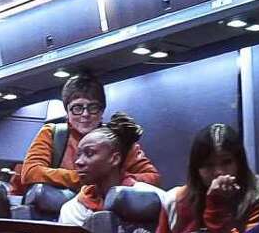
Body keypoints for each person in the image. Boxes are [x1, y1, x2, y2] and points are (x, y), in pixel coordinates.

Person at [9, 70, 160, 194]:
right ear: (67, 112)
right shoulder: (53, 134)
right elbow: (31, 172)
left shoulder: (118, 138)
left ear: (102, 111)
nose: (85, 114)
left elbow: (153, 177)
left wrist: (114, 180)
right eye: (77, 108)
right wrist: (85, 178)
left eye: (93, 107)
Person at [57, 113, 146, 228]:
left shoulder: (153, 198)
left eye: (89, 153)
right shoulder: (73, 210)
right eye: (78, 155)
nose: (78, 162)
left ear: (114, 159)